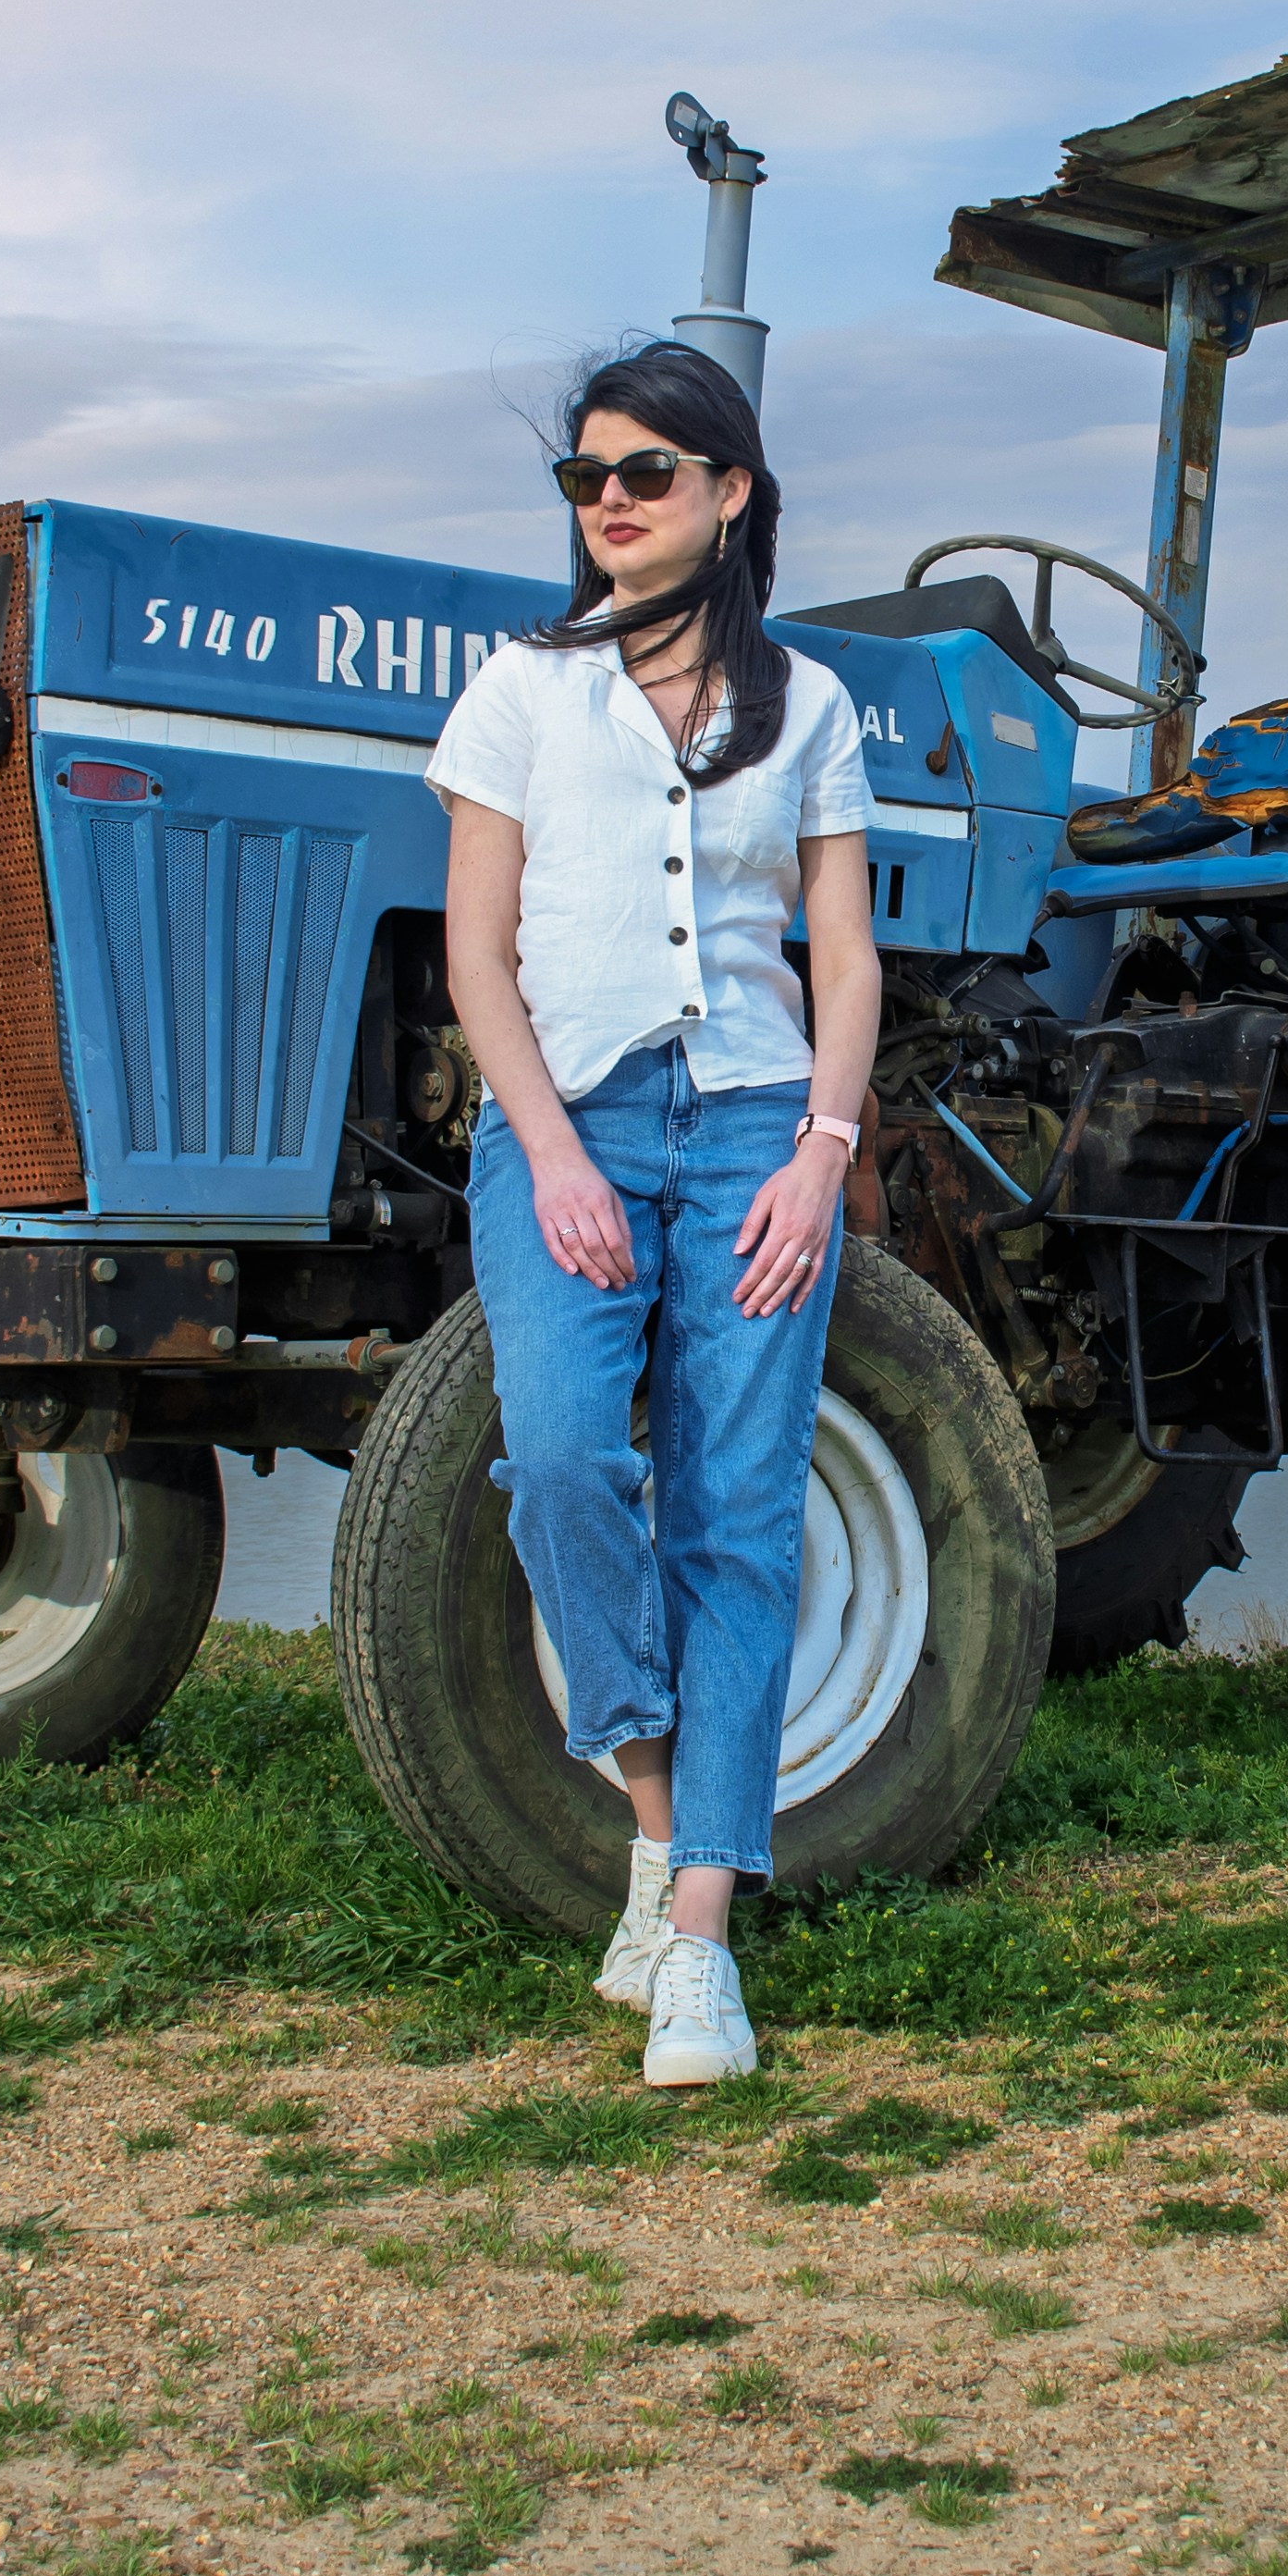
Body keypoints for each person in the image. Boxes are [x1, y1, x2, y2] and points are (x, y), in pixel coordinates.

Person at [421, 338, 880, 2089]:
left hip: (762, 1126)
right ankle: (656, 1806)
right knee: (554, 1462)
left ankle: (697, 1942)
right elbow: (476, 947)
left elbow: (840, 948)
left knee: (740, 1520)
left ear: (729, 493)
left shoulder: (811, 705)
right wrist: (544, 1149)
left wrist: (822, 1153)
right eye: (587, 478)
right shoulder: (519, 692)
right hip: (571, 1124)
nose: (610, 500)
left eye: (646, 473)